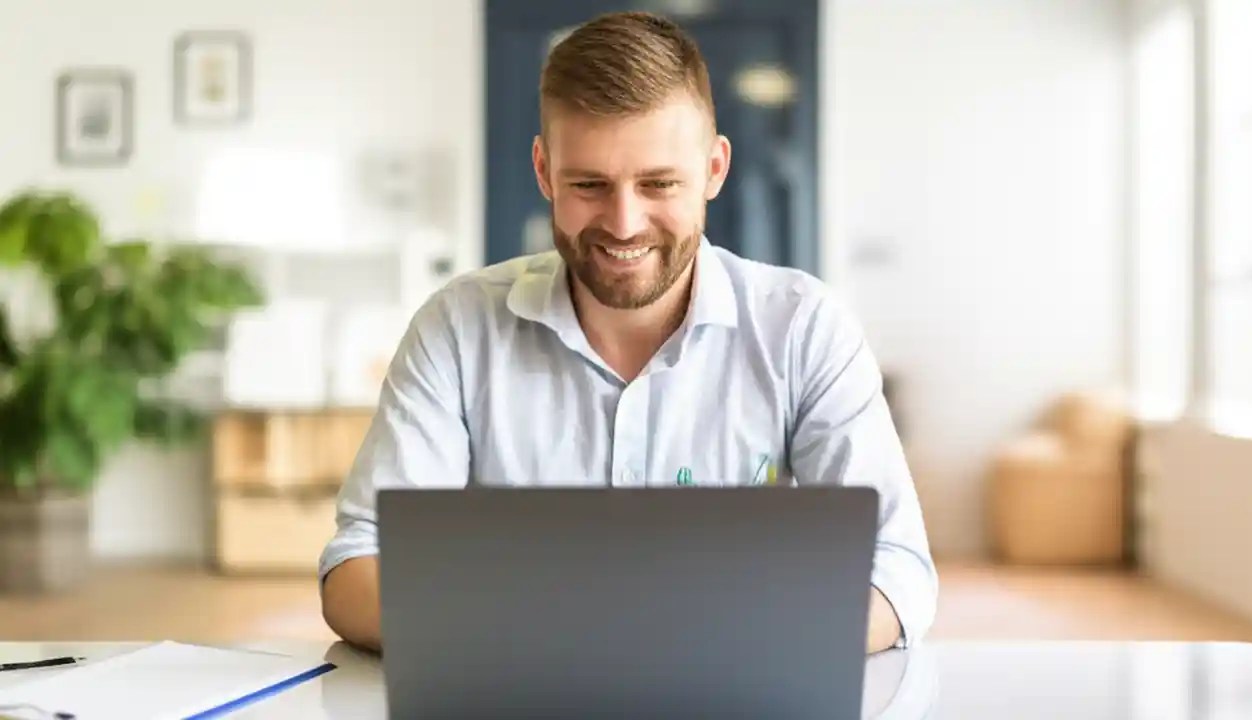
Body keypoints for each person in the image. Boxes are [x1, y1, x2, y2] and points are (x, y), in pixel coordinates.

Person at [320, 10, 936, 655]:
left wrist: (710, 644)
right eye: (589, 185)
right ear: (542, 171)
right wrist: (561, 643)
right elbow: (360, 562)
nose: (623, 222)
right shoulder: (457, 327)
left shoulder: (803, 326)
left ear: (714, 170)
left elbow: (895, 568)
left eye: (659, 184)